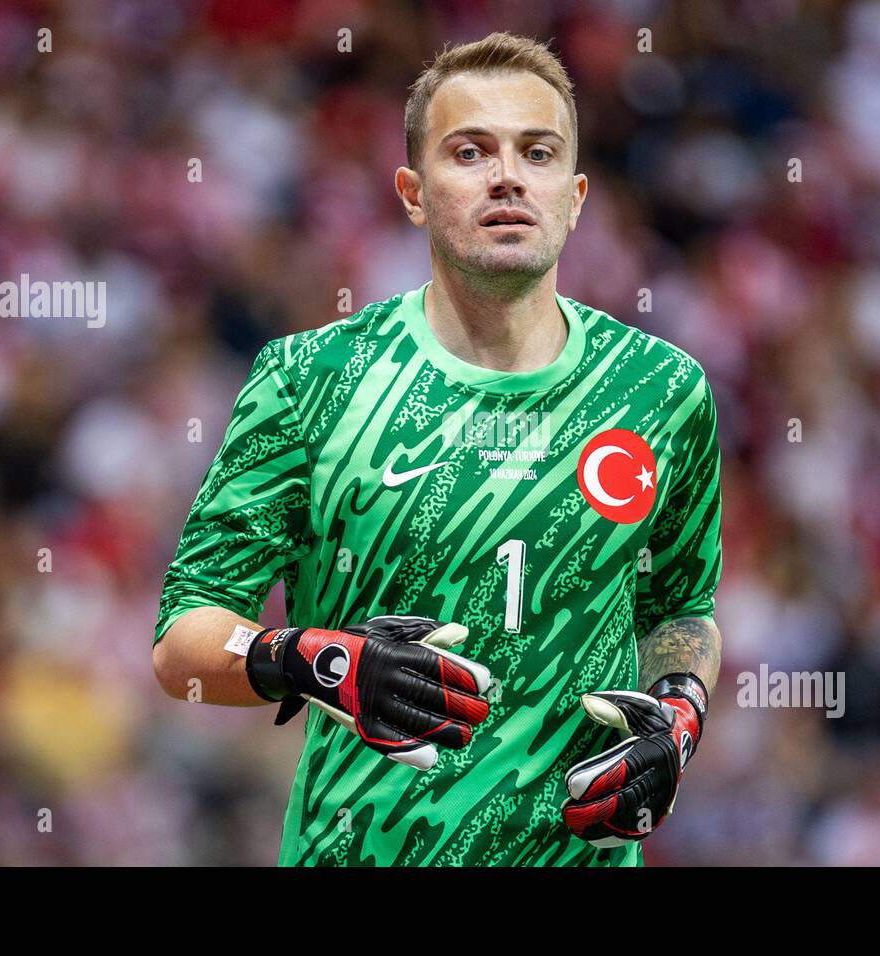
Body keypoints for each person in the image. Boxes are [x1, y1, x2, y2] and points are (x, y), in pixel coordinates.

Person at [152, 31, 724, 866]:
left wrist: (678, 720)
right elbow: (181, 646)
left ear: (575, 194)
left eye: (539, 153)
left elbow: (681, 610)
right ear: (413, 193)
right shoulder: (312, 380)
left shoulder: (662, 391)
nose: (508, 176)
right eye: (470, 151)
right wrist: (304, 659)